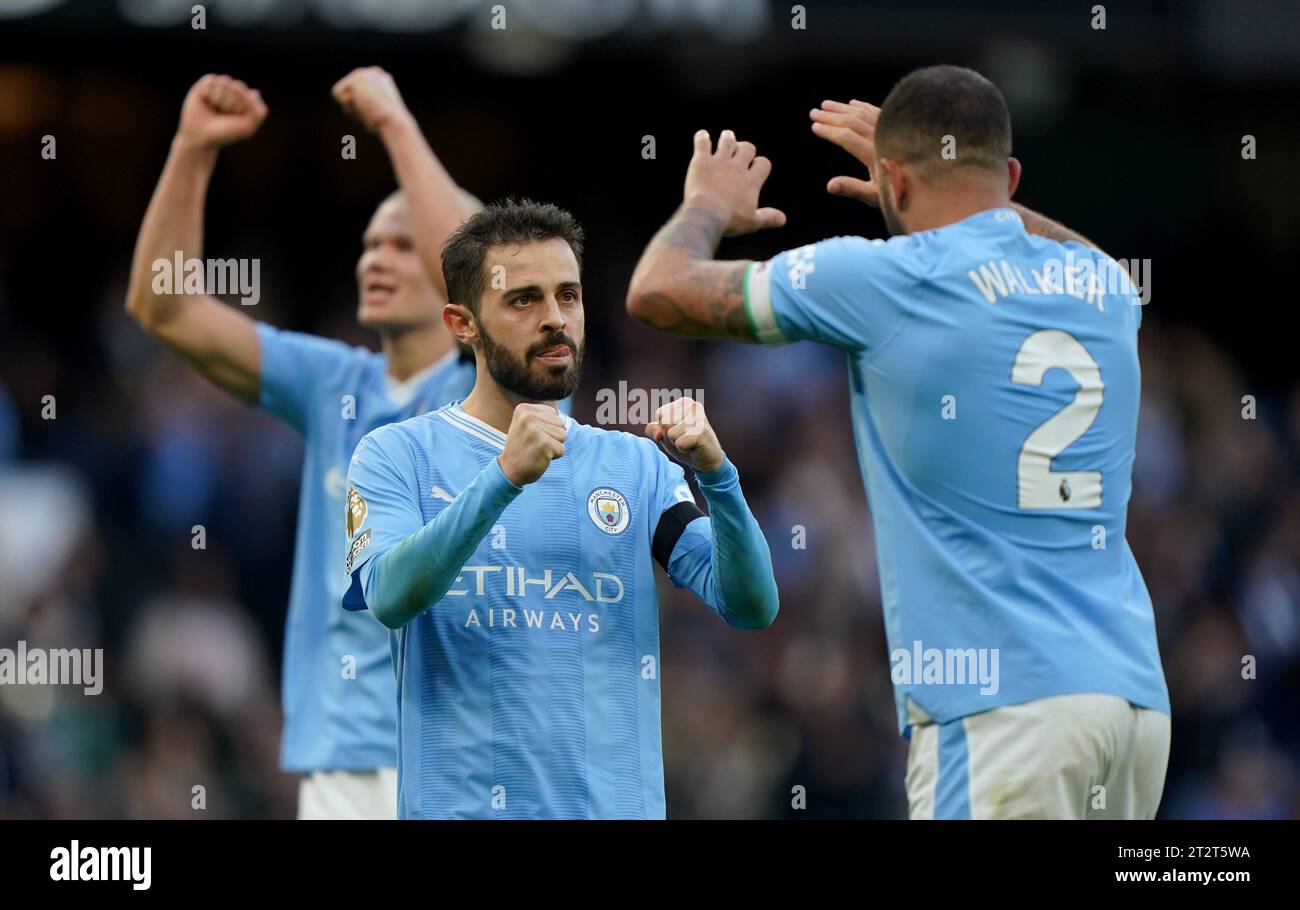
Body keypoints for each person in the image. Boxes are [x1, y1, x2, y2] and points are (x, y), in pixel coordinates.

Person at [624, 64, 1169, 819]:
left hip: (1000, 710)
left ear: (893, 184)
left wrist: (707, 205)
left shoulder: (884, 277)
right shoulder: (1104, 293)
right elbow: (1089, 258)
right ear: (1010, 177)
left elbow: (657, 288)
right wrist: (970, 197)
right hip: (1133, 707)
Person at [342, 199, 780, 818]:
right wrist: (501, 480)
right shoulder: (395, 455)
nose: (555, 319)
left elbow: (751, 604)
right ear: (462, 323)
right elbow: (389, 596)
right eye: (523, 300)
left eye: (567, 297)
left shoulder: (636, 466)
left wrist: (719, 478)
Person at [125, 68, 479, 818]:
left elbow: (486, 276)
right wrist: (191, 150)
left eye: (402, 243)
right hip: (343, 757)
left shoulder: (498, 393)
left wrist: (394, 122)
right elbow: (163, 306)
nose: (373, 259)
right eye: (368, 244)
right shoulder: (333, 383)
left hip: (466, 755)